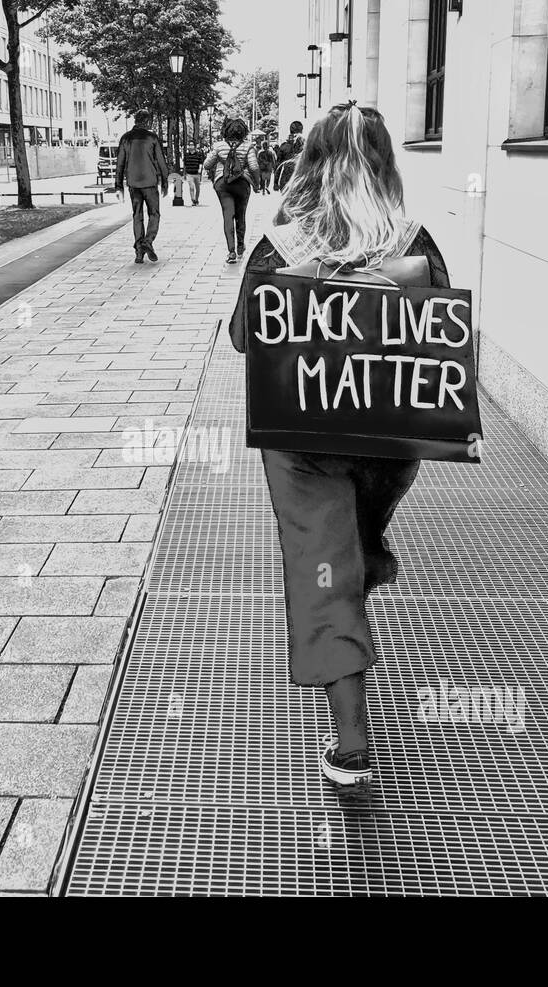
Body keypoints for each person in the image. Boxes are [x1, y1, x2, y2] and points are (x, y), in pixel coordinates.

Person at [228, 102, 450, 788]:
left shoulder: (282, 246)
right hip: (389, 440)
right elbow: (442, 332)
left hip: (303, 440)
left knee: (321, 567)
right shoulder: (416, 242)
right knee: (350, 551)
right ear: (384, 164)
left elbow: (244, 336)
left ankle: (351, 738)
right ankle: (355, 584)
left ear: (313, 165)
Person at [203, 118, 260, 264]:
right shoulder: (248, 146)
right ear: (243, 131)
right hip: (242, 184)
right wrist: (257, 184)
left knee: (228, 216)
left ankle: (231, 251)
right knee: (241, 215)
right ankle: (241, 246)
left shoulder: (218, 146)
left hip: (223, 184)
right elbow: (253, 167)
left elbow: (207, 165)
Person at [114, 110, 168, 263]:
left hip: (133, 183)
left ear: (135, 120)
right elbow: (161, 161)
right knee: (154, 214)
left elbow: (120, 164)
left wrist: (118, 186)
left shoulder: (125, 138)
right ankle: (147, 241)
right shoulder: (152, 138)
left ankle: (139, 252)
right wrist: (165, 182)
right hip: (150, 182)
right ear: (148, 122)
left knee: (137, 216)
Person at [274, 119, 305, 190]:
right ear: (301, 130)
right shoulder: (307, 146)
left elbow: (278, 165)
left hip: (286, 181)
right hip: (301, 180)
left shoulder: (284, 146)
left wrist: (275, 182)